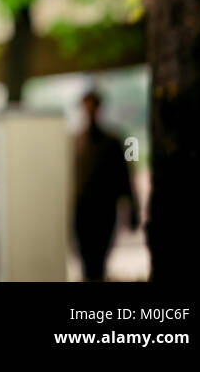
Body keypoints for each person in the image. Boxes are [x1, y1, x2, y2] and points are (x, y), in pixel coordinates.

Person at [73, 87, 139, 281]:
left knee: (99, 257)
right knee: (86, 258)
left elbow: (124, 176)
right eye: (87, 105)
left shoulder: (112, 142)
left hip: (104, 208)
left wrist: (132, 207)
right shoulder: (75, 142)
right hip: (82, 208)